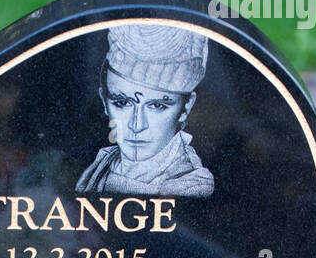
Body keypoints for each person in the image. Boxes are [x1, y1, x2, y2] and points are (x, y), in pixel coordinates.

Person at [77, 23, 214, 198]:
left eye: (157, 105)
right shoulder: (104, 162)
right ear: (104, 101)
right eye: (122, 103)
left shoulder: (191, 186)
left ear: (186, 107)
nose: (137, 125)